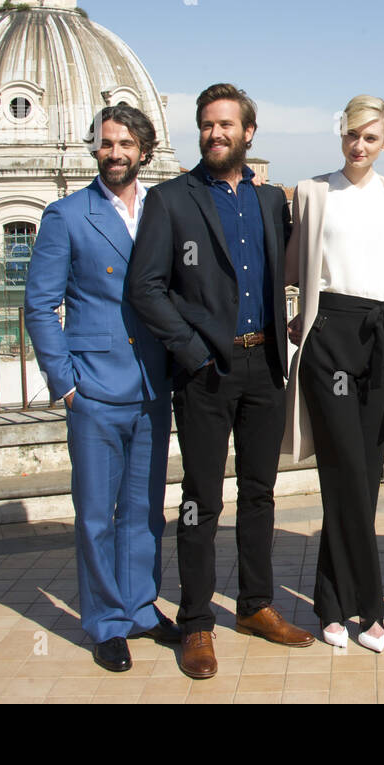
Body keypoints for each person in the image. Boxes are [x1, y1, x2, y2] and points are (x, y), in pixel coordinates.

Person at [128, 82, 313, 680]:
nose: (215, 133)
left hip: (265, 366)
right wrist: (192, 351)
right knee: (200, 501)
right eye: (207, 124)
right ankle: (196, 623)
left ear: (248, 133)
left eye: (226, 125)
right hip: (206, 371)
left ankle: (257, 606)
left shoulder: (267, 202)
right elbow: (146, 288)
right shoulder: (170, 200)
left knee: (259, 493)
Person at [24, 105, 178, 672]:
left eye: (125, 144)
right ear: (96, 149)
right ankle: (106, 622)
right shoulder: (67, 215)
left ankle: (140, 607)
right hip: (93, 388)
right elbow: (40, 305)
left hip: (152, 386)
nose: (114, 153)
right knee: (95, 513)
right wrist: (66, 384)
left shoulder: (161, 211)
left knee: (144, 510)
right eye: (106, 143)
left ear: (144, 150)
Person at [284, 94, 384, 653]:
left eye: (370, 137)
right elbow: (290, 264)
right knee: (341, 469)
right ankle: (372, 607)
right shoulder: (311, 193)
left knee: (364, 471)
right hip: (331, 336)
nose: (359, 146)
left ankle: (330, 603)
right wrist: (297, 318)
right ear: (341, 136)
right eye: (351, 135)